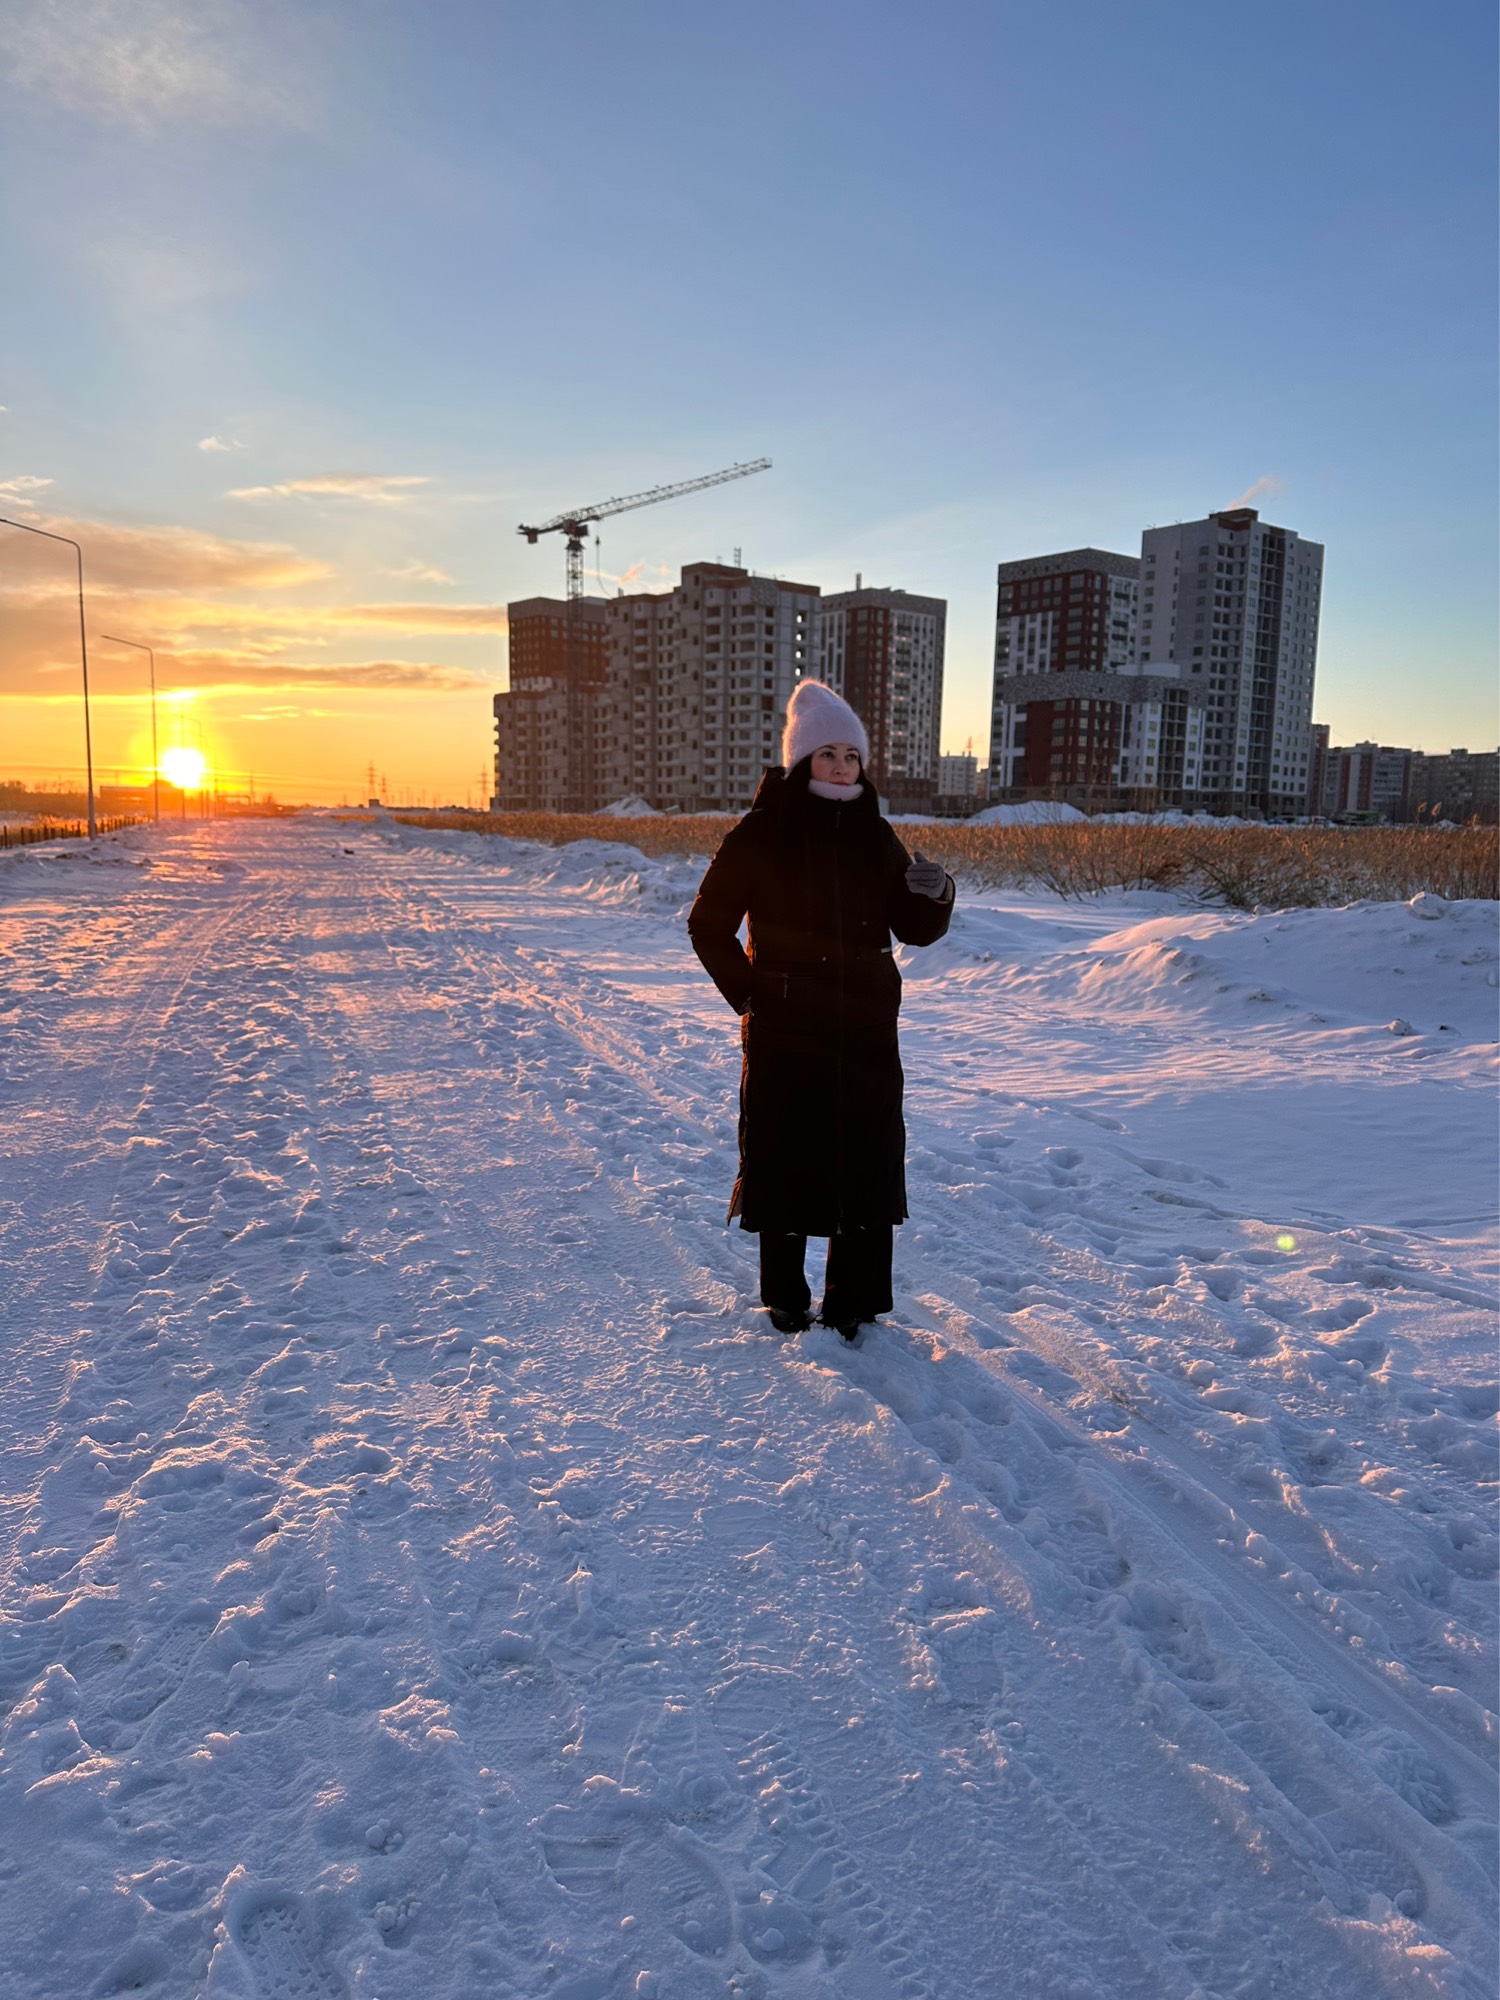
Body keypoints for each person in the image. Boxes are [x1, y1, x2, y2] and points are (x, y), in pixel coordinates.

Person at [687, 679, 955, 1339]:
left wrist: (935, 894)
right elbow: (707, 925)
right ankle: (785, 1297)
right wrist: (750, 994)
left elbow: (912, 929)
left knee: (864, 1161)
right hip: (785, 1023)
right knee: (785, 1159)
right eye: (828, 753)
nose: (841, 766)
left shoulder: (877, 834)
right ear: (801, 759)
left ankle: (854, 1303)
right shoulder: (761, 830)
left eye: (851, 755)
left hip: (865, 1025)